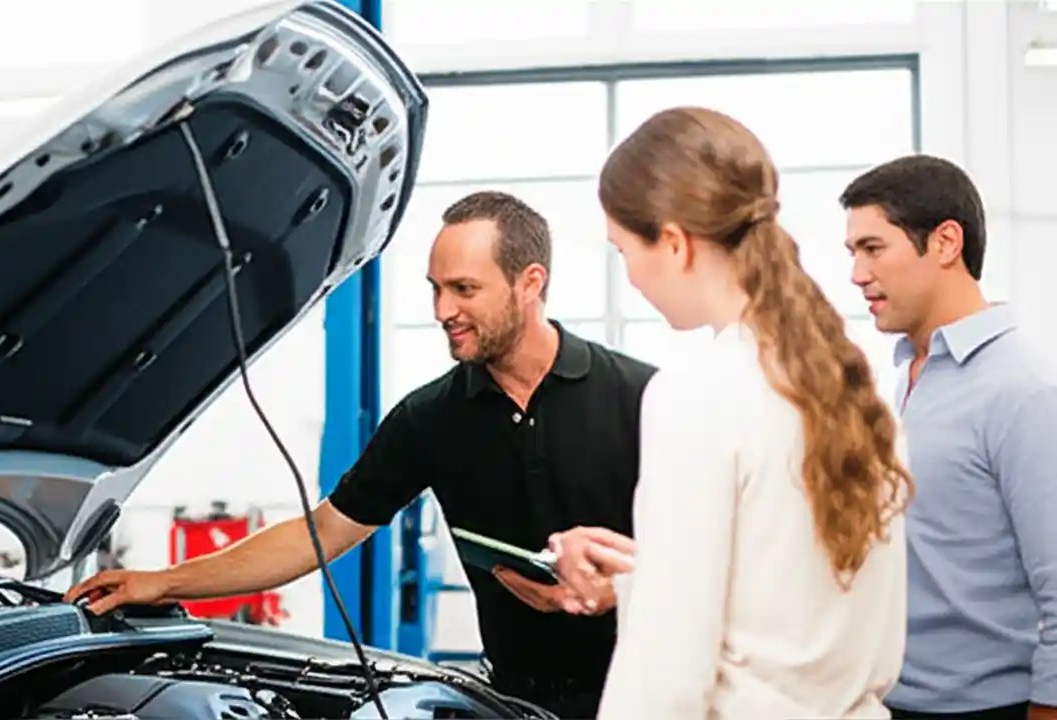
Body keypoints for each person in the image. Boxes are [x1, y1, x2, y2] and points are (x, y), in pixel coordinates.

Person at [64, 190, 658, 718]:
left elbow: (725, 556)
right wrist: (162, 585)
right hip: (515, 703)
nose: (441, 311)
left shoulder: (643, 398)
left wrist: (622, 592)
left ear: (531, 283)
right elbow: (321, 532)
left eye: (464, 289)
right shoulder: (431, 418)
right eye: (435, 289)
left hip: (654, 694)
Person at [548, 106, 913, 719]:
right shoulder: (860, 388)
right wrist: (650, 576)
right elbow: (814, 622)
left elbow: (666, 681)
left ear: (672, 241)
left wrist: (659, 595)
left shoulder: (694, 395)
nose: (632, 276)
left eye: (623, 250)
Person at [839, 155, 1057, 720]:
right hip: (897, 702)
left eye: (873, 248)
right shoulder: (910, 375)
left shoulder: (1023, 391)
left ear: (945, 243)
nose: (858, 274)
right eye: (853, 253)